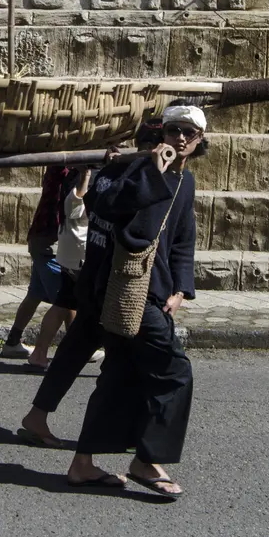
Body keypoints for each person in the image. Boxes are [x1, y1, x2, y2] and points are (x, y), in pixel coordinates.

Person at [63, 106, 205, 499]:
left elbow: (183, 238)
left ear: (198, 142)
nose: (180, 139)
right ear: (161, 133)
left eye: (189, 134)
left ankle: (82, 464)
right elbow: (107, 207)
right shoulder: (125, 168)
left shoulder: (186, 182)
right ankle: (146, 460)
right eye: (174, 130)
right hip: (122, 292)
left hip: (157, 293)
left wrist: (181, 288)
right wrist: (150, 172)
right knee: (174, 372)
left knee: (119, 374)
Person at [16, 118, 165, 448]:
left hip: (103, 281)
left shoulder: (165, 177)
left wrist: (180, 287)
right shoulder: (121, 175)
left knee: (76, 351)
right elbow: (107, 216)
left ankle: (41, 417)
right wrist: (111, 170)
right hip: (110, 283)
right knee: (131, 362)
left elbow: (177, 238)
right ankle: (107, 442)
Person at [2, 165, 73, 357]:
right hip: (52, 242)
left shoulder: (57, 170)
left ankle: (12, 342)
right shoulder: (67, 174)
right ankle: (72, 348)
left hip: (41, 240)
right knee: (66, 300)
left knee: (35, 294)